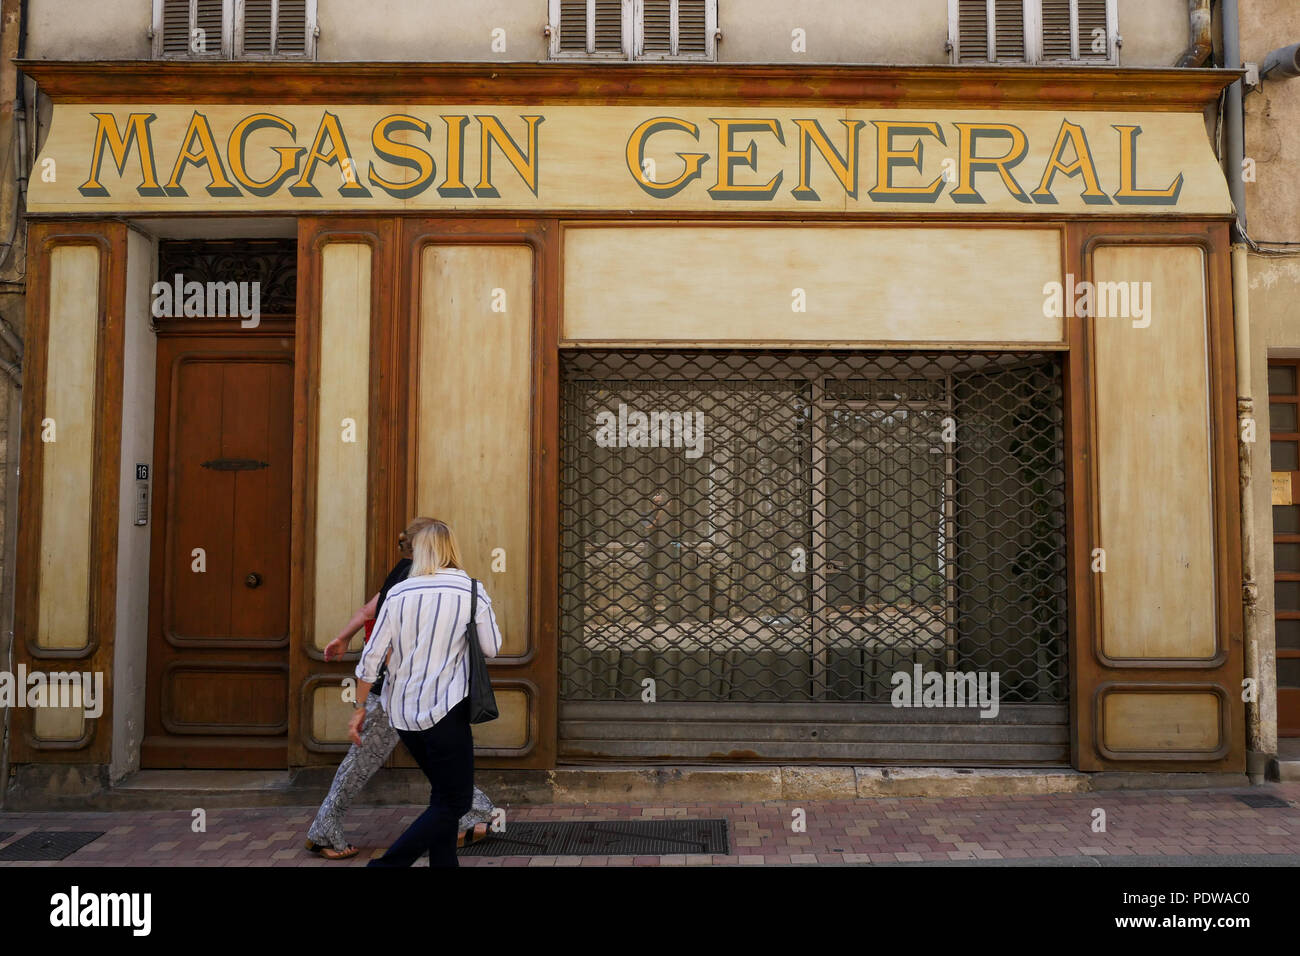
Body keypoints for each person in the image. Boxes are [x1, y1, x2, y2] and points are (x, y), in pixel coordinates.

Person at [304, 517, 495, 860]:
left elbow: (369, 618)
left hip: (396, 697)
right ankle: (329, 830)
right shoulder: (462, 587)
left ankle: (473, 812)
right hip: (424, 697)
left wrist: (345, 642)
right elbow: (490, 647)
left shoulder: (402, 583)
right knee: (431, 787)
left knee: (442, 787)